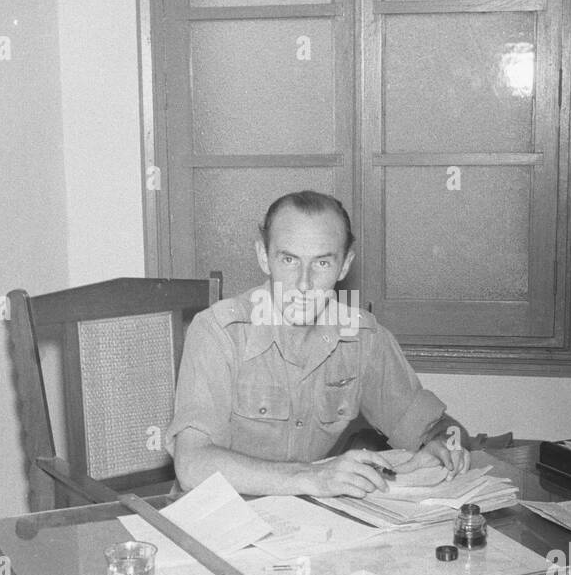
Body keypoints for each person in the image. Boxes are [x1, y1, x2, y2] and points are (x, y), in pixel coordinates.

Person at [167, 190, 468, 497]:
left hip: (311, 522)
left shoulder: (362, 336)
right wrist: (312, 477)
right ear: (263, 257)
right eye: (288, 260)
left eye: (322, 263)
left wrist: (444, 444)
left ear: (345, 265)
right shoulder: (218, 331)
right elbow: (191, 464)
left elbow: (439, 426)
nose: (303, 284)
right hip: (218, 520)